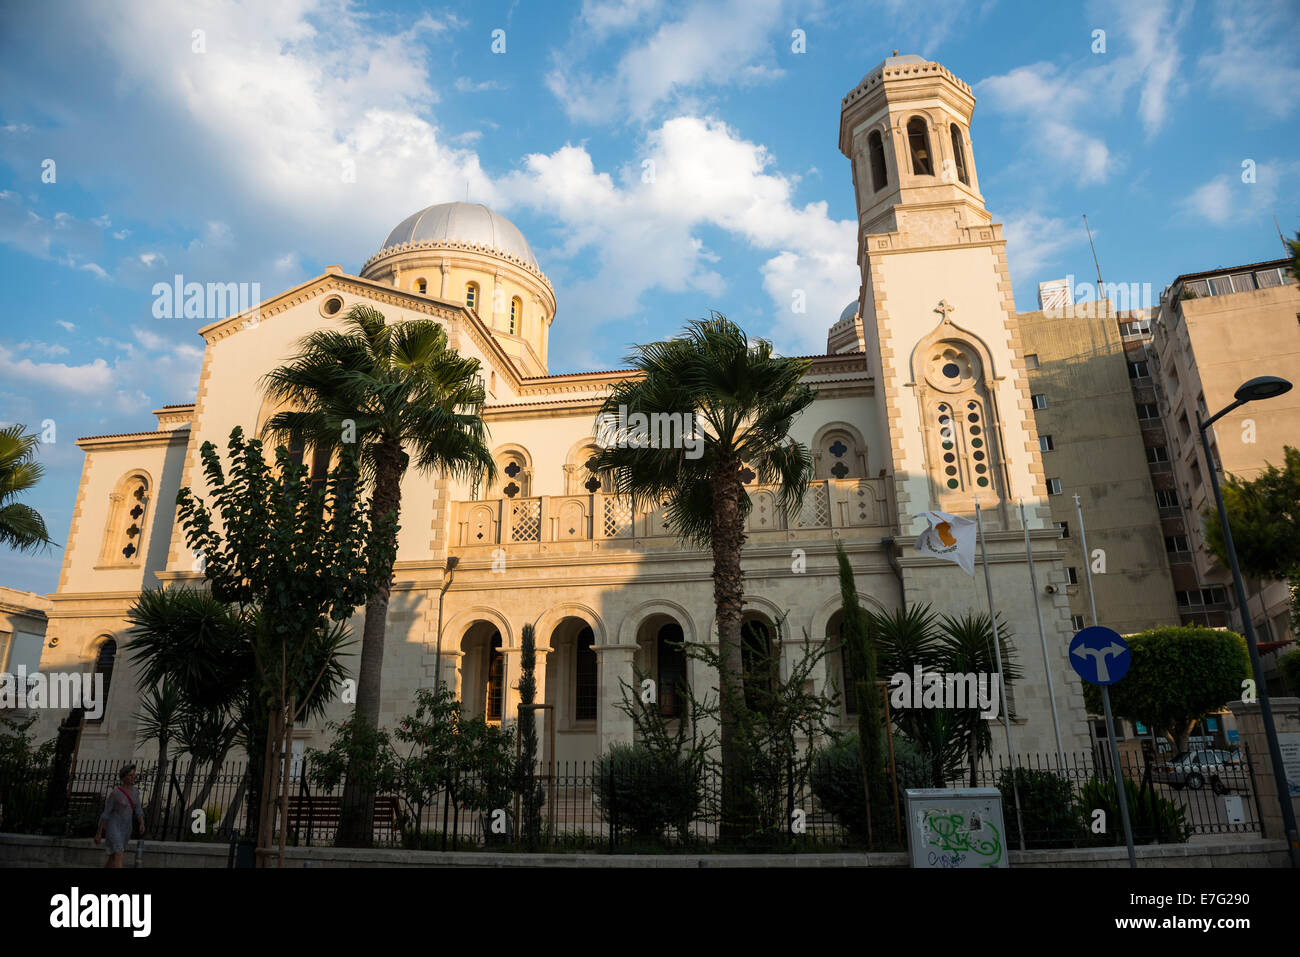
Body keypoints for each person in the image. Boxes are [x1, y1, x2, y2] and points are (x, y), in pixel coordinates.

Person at [94, 764, 146, 868]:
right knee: (119, 853)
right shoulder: (115, 793)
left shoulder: (135, 792)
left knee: (113, 856)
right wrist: (99, 833)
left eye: (134, 775)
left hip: (126, 827)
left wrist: (141, 823)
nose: (133, 778)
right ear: (123, 777)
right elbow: (106, 813)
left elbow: (138, 809)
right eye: (130, 775)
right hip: (113, 826)